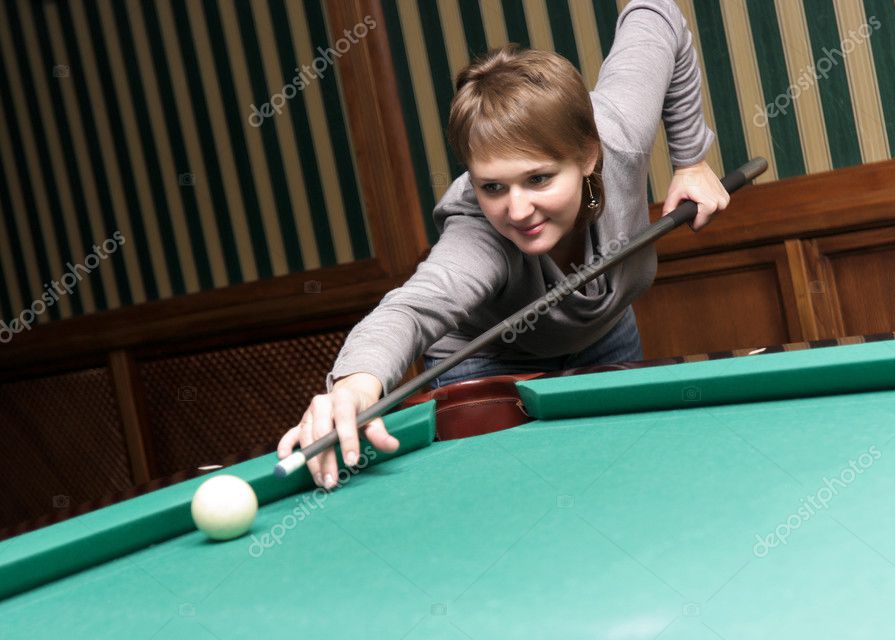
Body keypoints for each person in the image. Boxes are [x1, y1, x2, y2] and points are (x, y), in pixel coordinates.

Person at [278, 0, 729, 489]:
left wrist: (691, 159)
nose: (516, 211)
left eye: (538, 178)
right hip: (488, 357)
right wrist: (357, 384)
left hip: (605, 333)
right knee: (505, 493)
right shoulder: (478, 230)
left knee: (621, 475)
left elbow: (657, 12)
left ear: (587, 156)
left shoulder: (619, 130)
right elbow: (412, 308)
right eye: (493, 186)